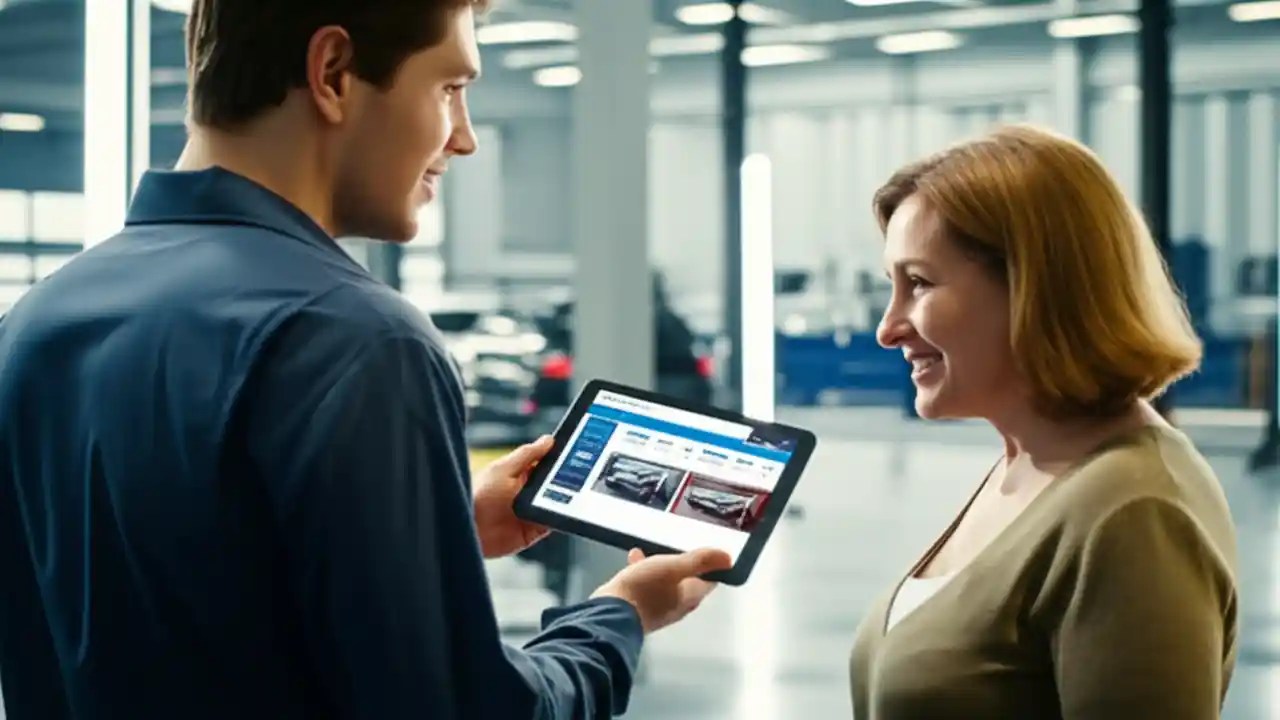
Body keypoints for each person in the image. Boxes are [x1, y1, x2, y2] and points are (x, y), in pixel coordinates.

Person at [0, 1, 732, 718]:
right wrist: (619, 618)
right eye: (450, 89)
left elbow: (179, 599)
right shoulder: (354, 341)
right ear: (334, 71)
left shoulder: (37, 322)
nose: (465, 138)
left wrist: (433, 533)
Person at [848, 124, 1238, 719]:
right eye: (891, 287)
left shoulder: (1132, 512)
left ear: (1035, 288)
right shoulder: (1024, 463)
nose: (888, 327)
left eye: (919, 284)